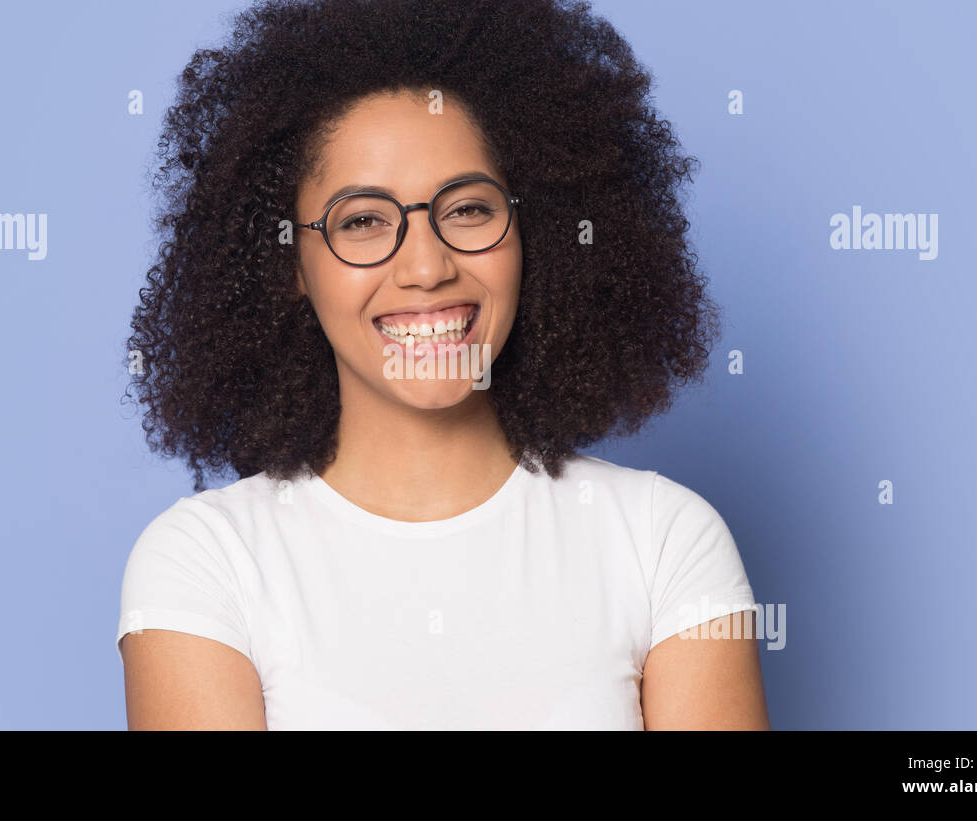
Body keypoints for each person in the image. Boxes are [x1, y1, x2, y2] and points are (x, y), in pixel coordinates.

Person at [117, 0, 768, 729]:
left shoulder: (662, 541)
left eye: (467, 209)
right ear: (289, 261)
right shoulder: (207, 563)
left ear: (533, 228)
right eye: (361, 221)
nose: (426, 266)